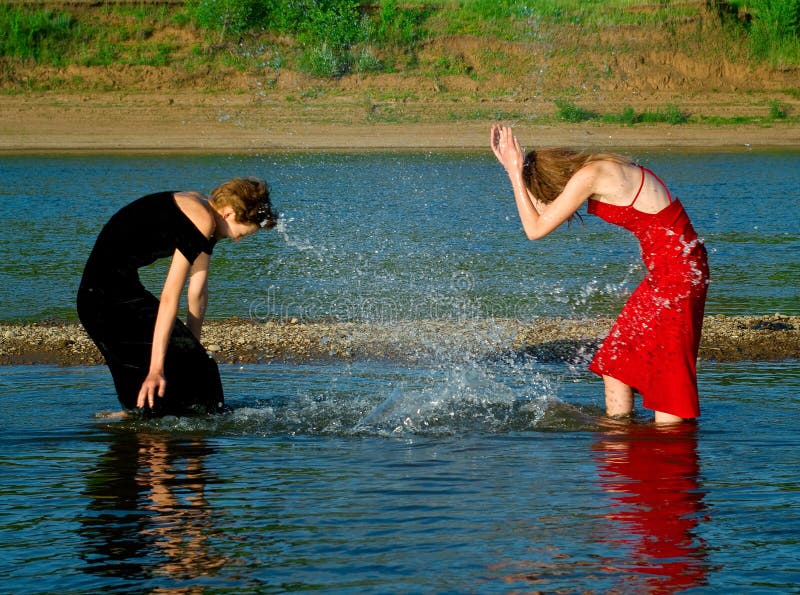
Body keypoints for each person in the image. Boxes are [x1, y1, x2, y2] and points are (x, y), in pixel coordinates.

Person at [491, 124, 709, 424]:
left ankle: (669, 452)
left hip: (679, 273)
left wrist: (516, 173)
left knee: (668, 377)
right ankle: (620, 438)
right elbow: (543, 211)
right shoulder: (599, 169)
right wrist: (512, 169)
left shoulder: (589, 176)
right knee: (615, 362)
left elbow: (535, 229)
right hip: (673, 269)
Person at [77, 177, 277, 417]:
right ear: (229, 213)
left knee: (202, 370)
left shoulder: (205, 213)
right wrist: (156, 369)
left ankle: (168, 432)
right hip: (103, 302)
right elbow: (171, 295)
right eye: (241, 234)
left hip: (120, 292)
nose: (237, 240)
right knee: (158, 388)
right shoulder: (200, 219)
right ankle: (136, 425)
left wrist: (193, 349)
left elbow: (198, 291)